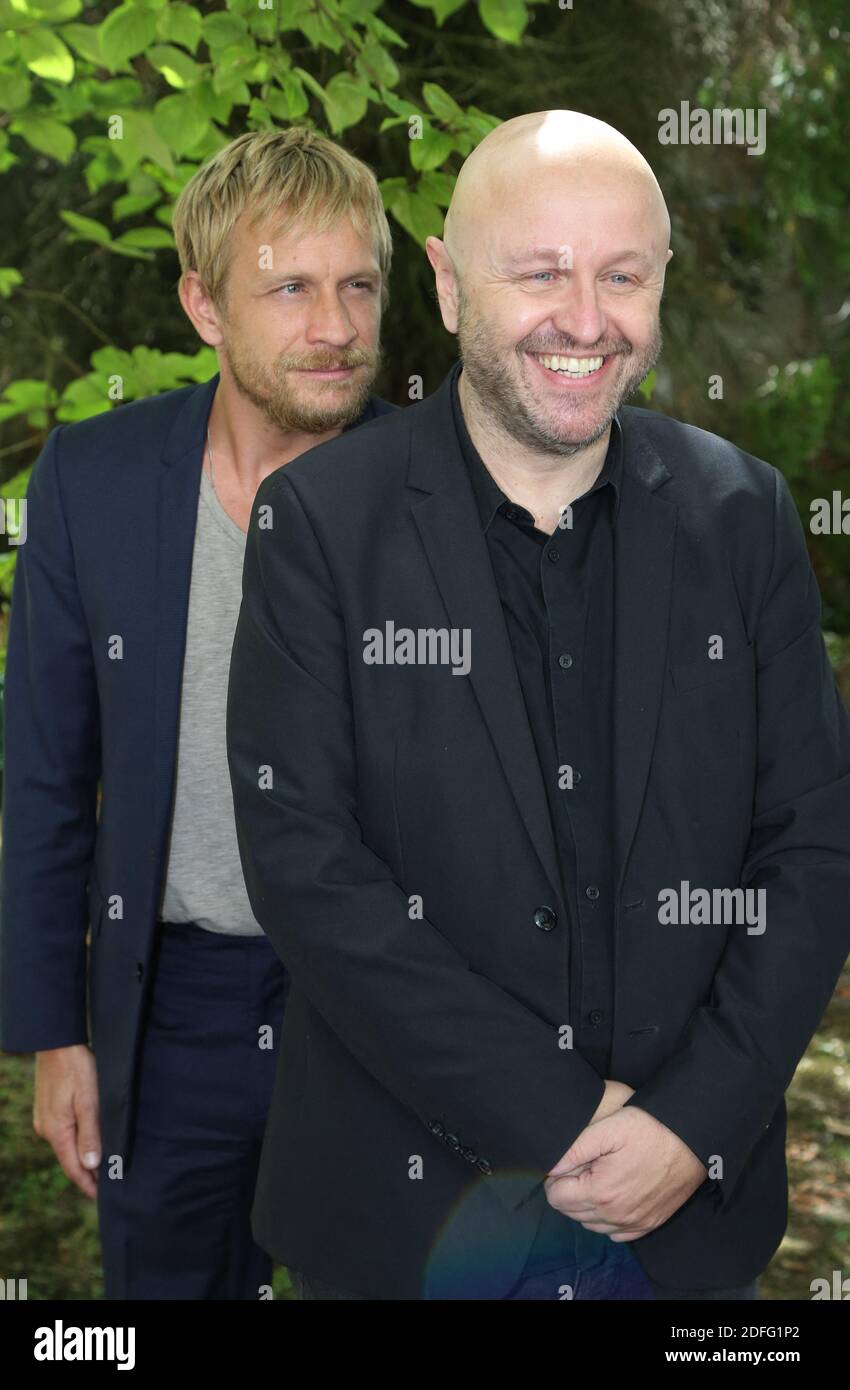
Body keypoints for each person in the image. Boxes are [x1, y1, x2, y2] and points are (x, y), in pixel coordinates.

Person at [226, 110, 850, 1300]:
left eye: (620, 274)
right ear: (450, 286)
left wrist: (693, 1120)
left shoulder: (742, 516)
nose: (583, 317)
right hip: (407, 1220)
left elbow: (812, 845)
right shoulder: (319, 525)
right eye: (539, 271)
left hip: (684, 1221)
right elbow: (307, 866)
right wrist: (562, 1116)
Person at [0, 125, 395, 1299]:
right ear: (204, 305)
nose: (332, 327)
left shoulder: (441, 491)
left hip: (389, 1009)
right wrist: (54, 1032)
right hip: (174, 1011)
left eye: (356, 286)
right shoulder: (95, 479)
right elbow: (50, 777)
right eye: (287, 288)